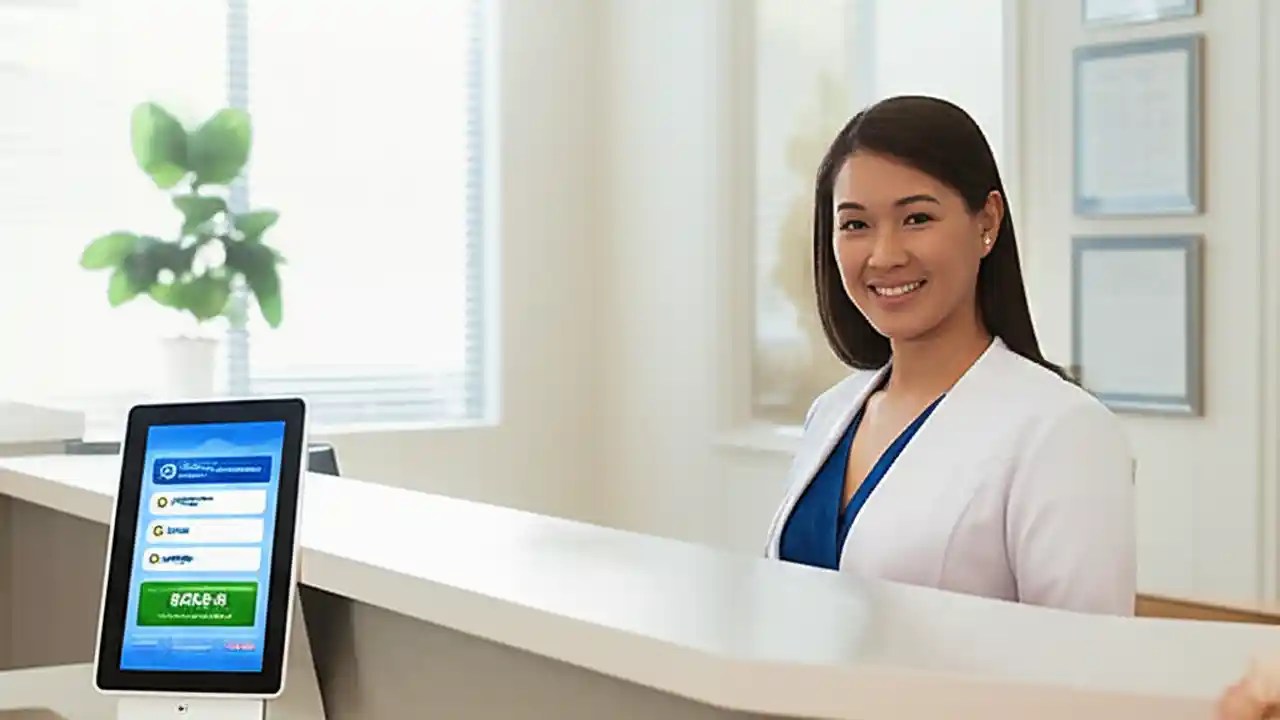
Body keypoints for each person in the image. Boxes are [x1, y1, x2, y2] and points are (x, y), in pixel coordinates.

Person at [762, 95, 1136, 616]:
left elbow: (1086, 672)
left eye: (916, 218)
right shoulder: (830, 414)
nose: (885, 255)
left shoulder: (1064, 430)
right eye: (855, 224)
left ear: (987, 222)